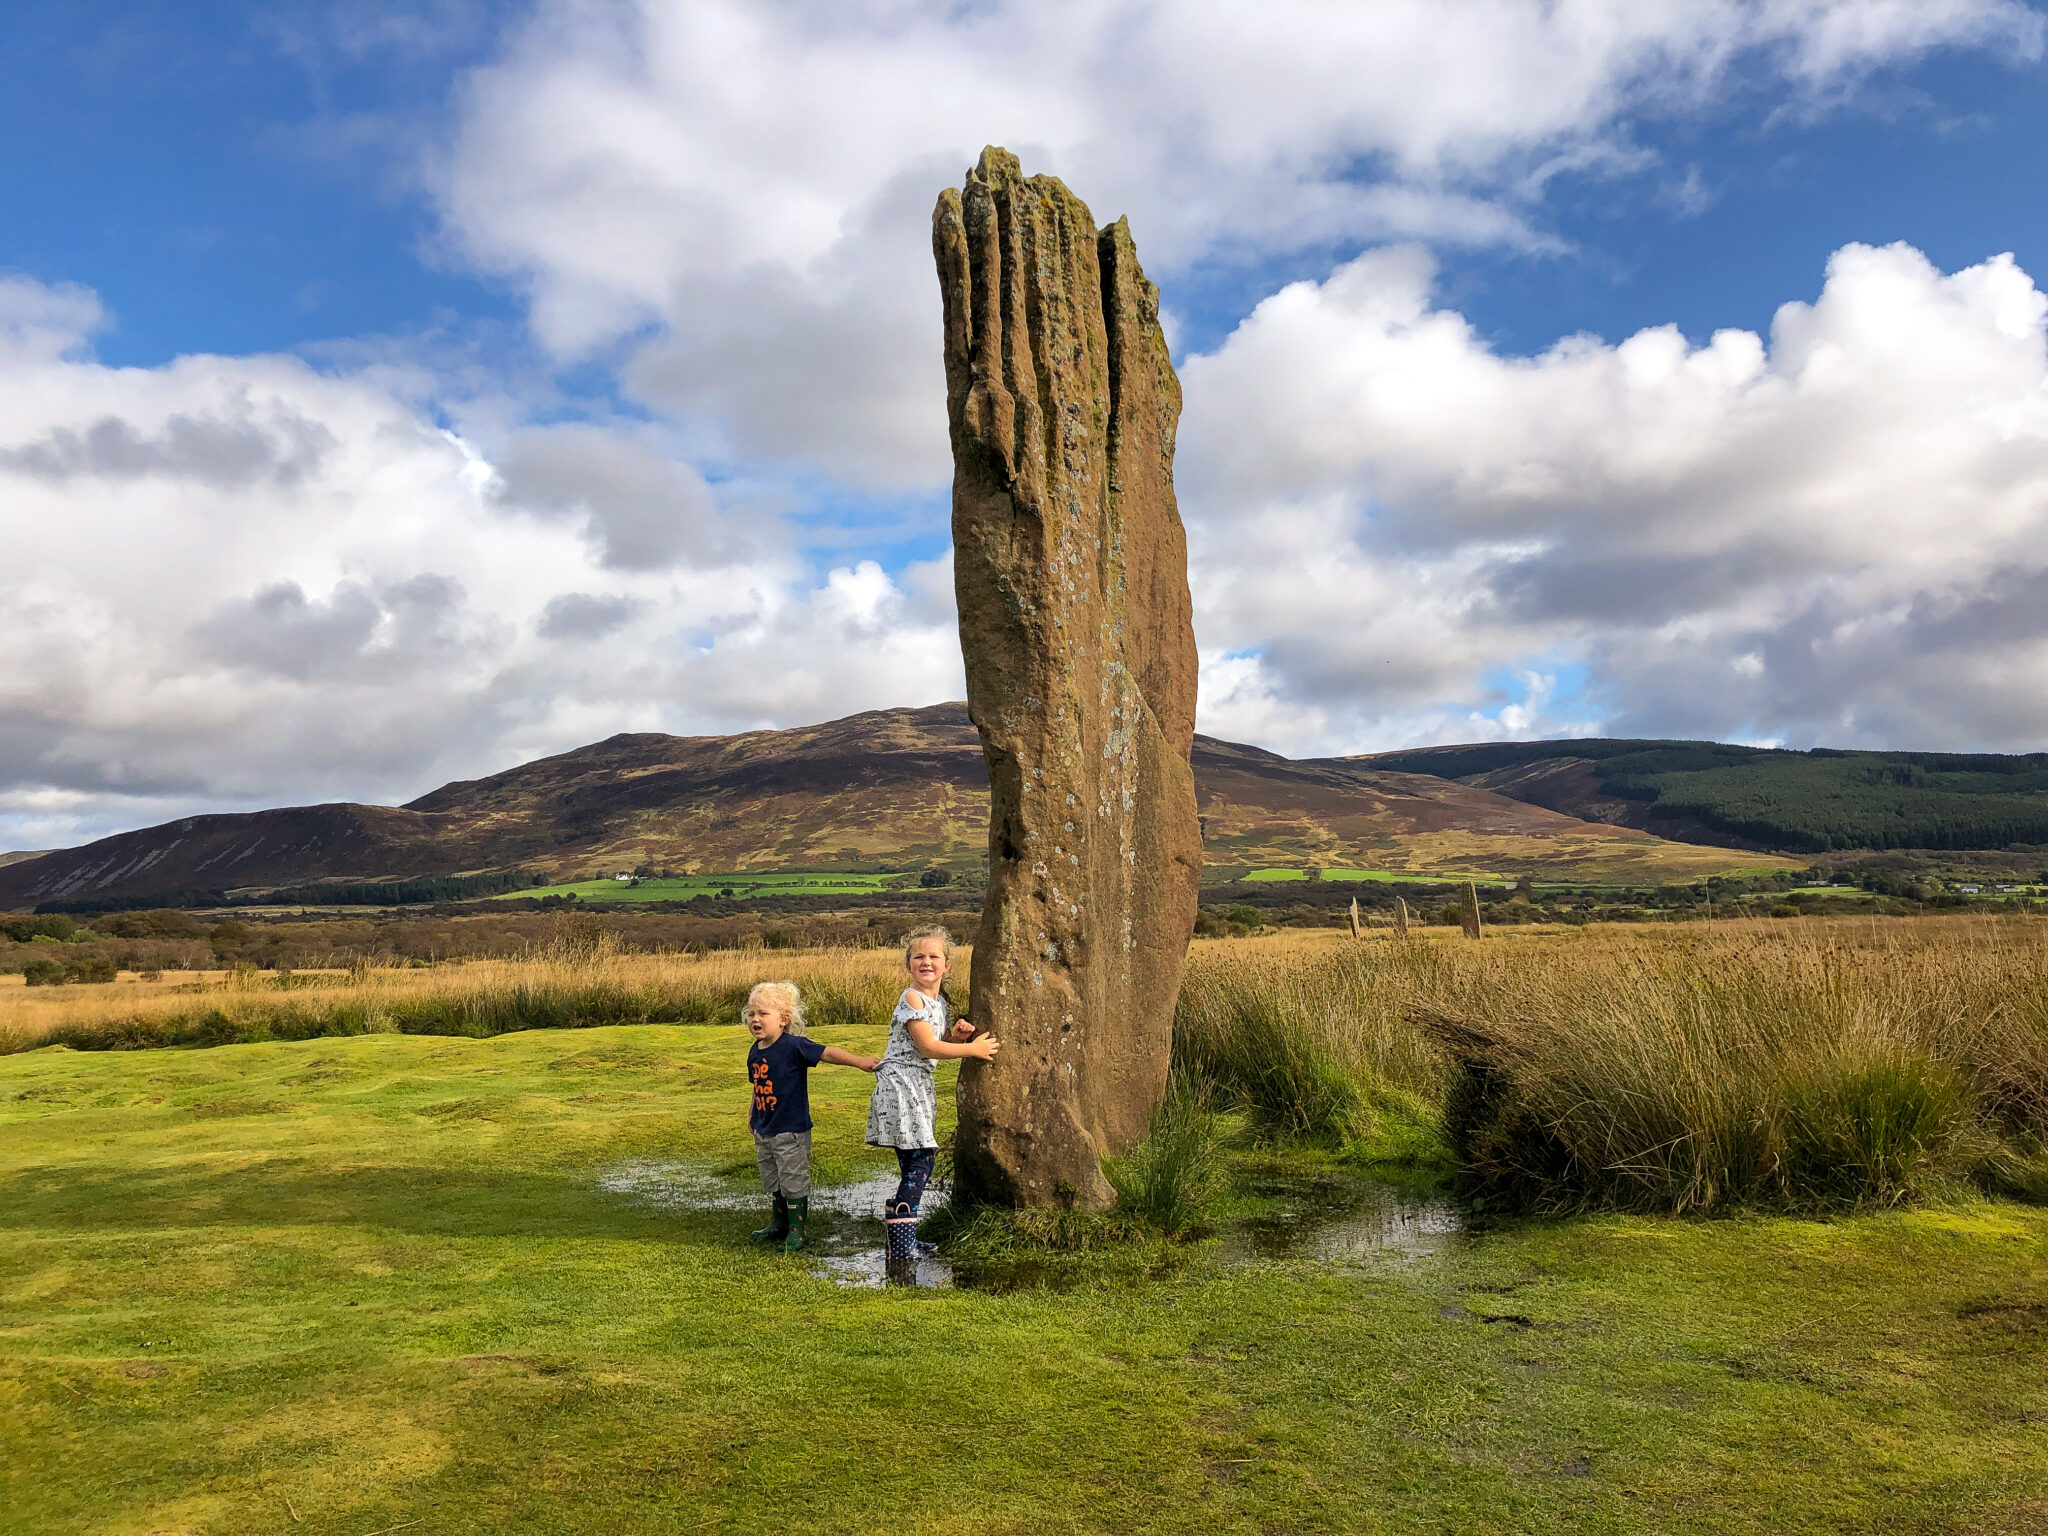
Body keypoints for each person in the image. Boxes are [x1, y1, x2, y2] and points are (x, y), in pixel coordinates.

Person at [866, 926, 999, 1277]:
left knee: (915, 1160)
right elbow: (926, 1048)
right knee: (921, 1159)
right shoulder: (912, 998)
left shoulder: (937, 1003)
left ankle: (903, 1237)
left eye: (933, 956)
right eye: (918, 957)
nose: (926, 962)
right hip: (901, 1085)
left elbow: (935, 1040)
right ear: (908, 965)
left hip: (914, 1084)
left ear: (947, 965)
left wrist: (955, 1037)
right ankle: (903, 1244)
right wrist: (972, 1049)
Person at [744, 980, 877, 1253]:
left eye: (763, 1014)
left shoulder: (794, 1046)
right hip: (765, 1128)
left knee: (793, 1179)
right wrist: (752, 1115)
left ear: (783, 1019)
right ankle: (778, 1223)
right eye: (751, 1014)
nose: (755, 1019)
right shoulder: (755, 1050)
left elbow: (827, 1053)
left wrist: (859, 1061)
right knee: (773, 1178)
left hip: (790, 1129)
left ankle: (797, 1231)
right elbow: (758, 1086)